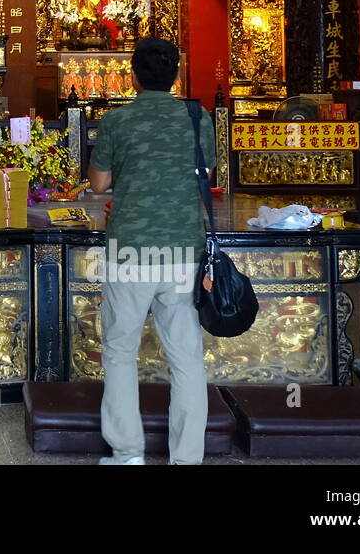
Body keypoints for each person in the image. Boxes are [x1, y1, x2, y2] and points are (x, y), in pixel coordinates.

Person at [87, 37, 214, 466]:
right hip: (183, 250)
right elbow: (204, 173)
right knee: (186, 357)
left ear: (133, 75)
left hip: (131, 252)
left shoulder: (117, 121)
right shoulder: (198, 118)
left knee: (120, 352)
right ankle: (187, 458)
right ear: (176, 75)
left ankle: (127, 454)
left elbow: (100, 185)